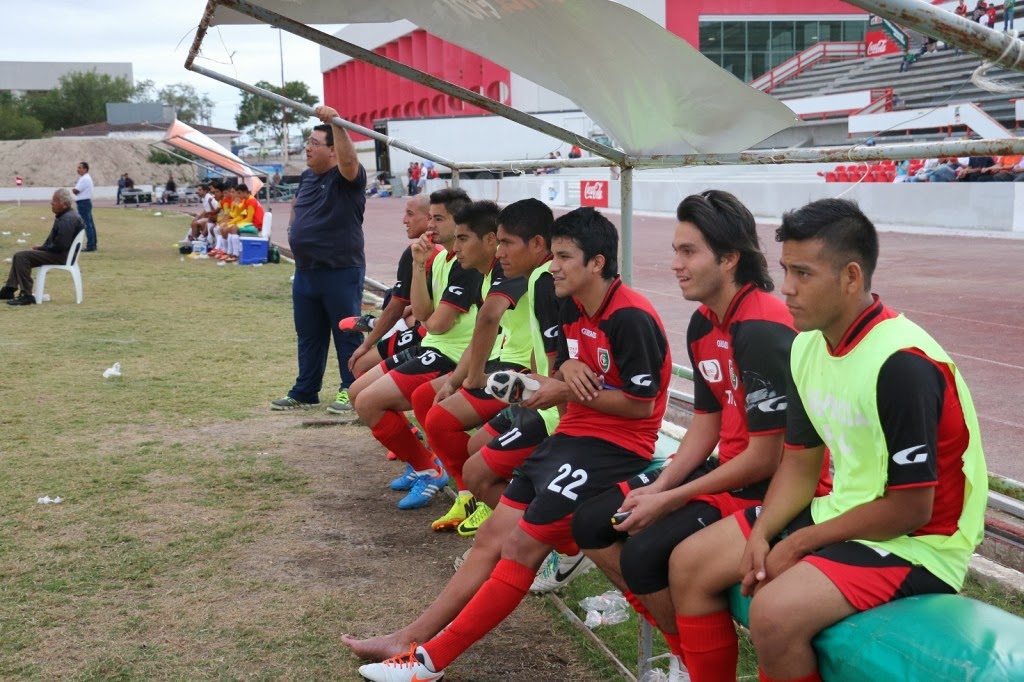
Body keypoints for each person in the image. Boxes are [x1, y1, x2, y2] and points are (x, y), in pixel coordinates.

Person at [669, 198, 988, 682]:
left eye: (803, 273)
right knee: (688, 564)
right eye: (785, 270)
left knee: (774, 614)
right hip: (845, 510)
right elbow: (799, 464)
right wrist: (760, 533)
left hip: (920, 543)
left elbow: (911, 509)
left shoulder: (904, 363)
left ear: (851, 277)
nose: (788, 288)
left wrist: (800, 544)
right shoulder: (807, 347)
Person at [352, 207, 672, 681]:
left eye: (564, 256)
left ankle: (428, 663)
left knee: (521, 545)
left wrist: (562, 387)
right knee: (492, 538)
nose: (554, 266)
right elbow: (565, 365)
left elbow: (642, 407)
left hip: (613, 448)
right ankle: (409, 638)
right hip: (572, 436)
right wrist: (563, 374)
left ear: (597, 263)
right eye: (554, 255)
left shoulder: (631, 316)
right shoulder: (565, 300)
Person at [570, 190, 798, 676]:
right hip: (732, 475)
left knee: (649, 553)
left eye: (688, 251)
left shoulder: (761, 327)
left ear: (730, 257)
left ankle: (693, 663)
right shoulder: (702, 323)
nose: (674, 263)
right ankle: (687, 655)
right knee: (594, 522)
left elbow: (766, 458)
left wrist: (669, 499)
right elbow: (706, 425)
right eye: (676, 250)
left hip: (776, 487)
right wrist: (659, 487)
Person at [415, 199, 550, 534]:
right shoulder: (493, 274)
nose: (456, 247)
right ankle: (471, 493)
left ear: (490, 240)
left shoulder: (518, 273)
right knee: (425, 401)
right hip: (511, 368)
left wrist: (473, 378)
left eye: (463, 239)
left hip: (516, 372)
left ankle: (489, 501)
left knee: (441, 419)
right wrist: (458, 380)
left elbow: (488, 319)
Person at [350, 188, 479, 510]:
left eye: (438, 218)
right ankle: (420, 461)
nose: (430, 226)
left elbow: (438, 324)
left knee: (368, 402)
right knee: (357, 392)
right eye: (430, 218)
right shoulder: (438, 258)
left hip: (452, 354)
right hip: (432, 345)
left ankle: (429, 468)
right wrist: (420, 266)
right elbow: (423, 316)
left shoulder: (468, 264)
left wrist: (426, 318)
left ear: (459, 221)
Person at [270, 105, 367, 414]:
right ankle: (305, 390)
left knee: (346, 333)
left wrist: (336, 122)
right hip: (306, 271)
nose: (307, 148)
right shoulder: (308, 178)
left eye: (314, 143)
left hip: (340, 270)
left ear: (333, 151)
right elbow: (298, 207)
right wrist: (292, 229)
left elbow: (350, 159)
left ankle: (349, 388)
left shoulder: (346, 177)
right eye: (307, 142)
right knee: (309, 334)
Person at [343, 194, 434, 381]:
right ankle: (376, 323)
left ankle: (375, 324)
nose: (404, 220)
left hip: (434, 334)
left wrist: (365, 345)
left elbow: (397, 308)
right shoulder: (440, 250)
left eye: (410, 214)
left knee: (360, 367)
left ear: (430, 218)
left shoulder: (425, 252)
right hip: (421, 324)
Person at [2, 188, 85, 306]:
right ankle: (9, 289)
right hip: (61, 254)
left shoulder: (67, 219)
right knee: (19, 256)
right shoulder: (66, 216)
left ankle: (27, 295)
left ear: (64, 204)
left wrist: (42, 249)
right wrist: (41, 248)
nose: (51, 203)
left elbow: (60, 245)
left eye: (55, 201)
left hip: (61, 256)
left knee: (22, 257)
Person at [72, 161, 97, 252]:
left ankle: (90, 245)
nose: (78, 170)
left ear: (85, 169)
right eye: (78, 168)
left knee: (87, 225)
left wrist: (73, 189)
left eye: (80, 168)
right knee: (90, 224)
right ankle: (93, 244)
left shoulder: (84, 179)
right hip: (86, 202)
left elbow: (76, 191)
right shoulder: (86, 178)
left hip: (83, 202)